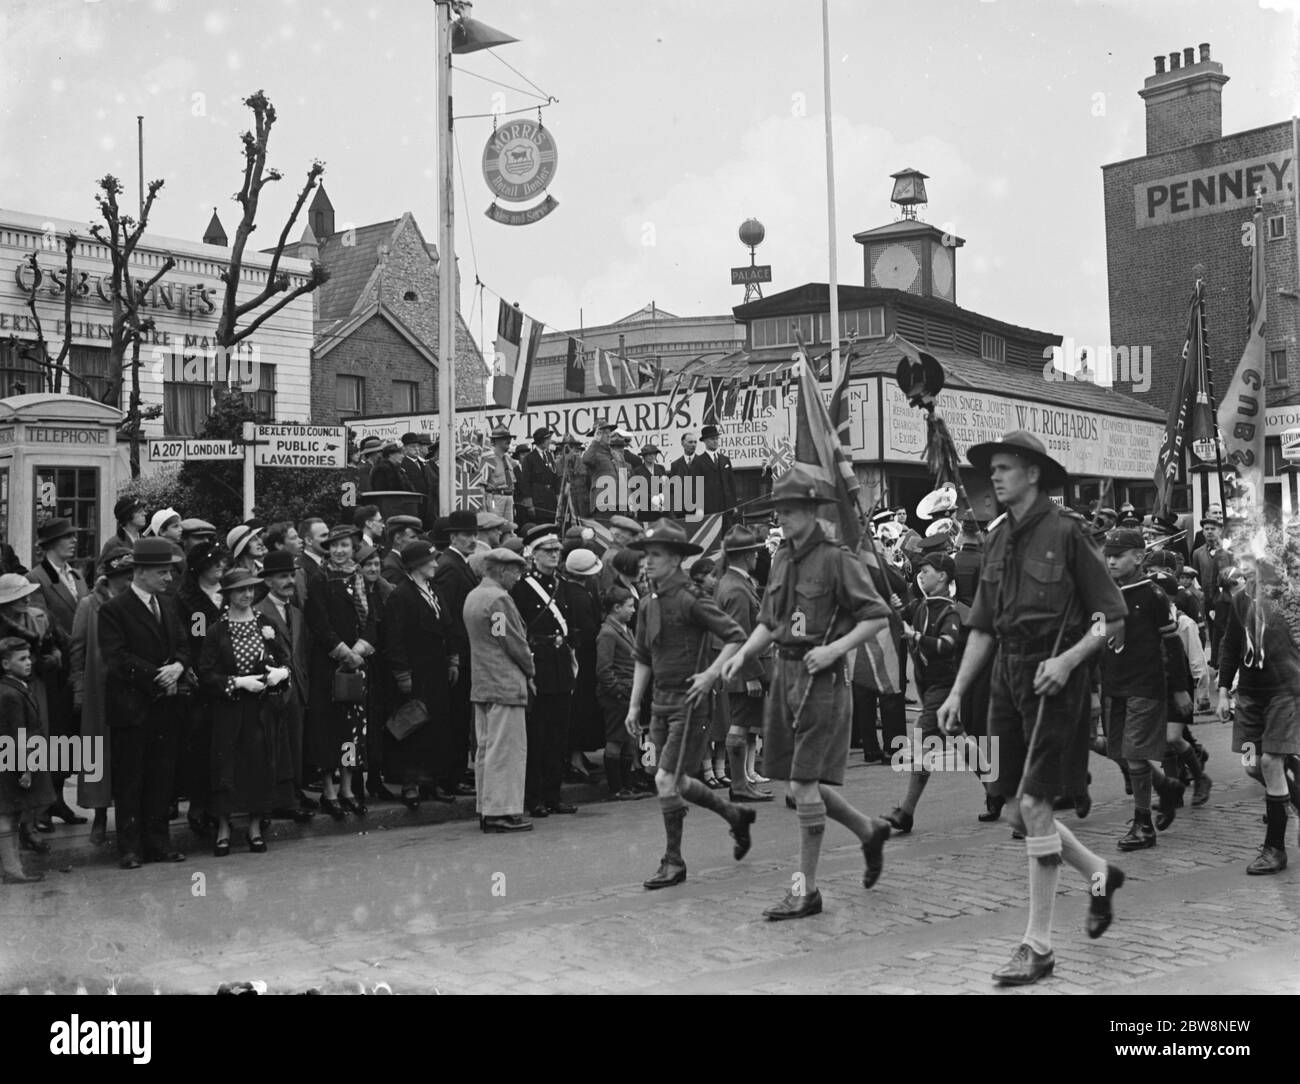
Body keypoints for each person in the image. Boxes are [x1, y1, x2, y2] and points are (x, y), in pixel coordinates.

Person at [935, 431, 1129, 985]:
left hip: (1054, 678)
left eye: (1003, 468)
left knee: (1036, 806)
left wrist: (1069, 662)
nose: (994, 478)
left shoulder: (1068, 534)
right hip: (1005, 680)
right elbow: (982, 627)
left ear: (1033, 474)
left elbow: (1111, 618)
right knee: (1014, 809)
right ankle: (1098, 872)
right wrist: (954, 692)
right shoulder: (996, 541)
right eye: (991, 469)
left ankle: (1037, 946)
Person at [720, 470, 894, 919]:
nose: (782, 518)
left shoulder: (836, 559)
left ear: (813, 512)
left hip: (823, 679)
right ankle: (868, 831)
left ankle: (806, 890)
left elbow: (877, 615)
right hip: (785, 674)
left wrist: (834, 648)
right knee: (801, 782)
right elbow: (770, 621)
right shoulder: (780, 558)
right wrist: (742, 655)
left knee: (802, 785)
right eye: (779, 510)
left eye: (790, 510)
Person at [625, 518, 754, 891]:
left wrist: (712, 674)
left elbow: (735, 636)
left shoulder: (690, 598)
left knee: (665, 778)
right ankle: (735, 814)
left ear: (677, 559)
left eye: (657, 555)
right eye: (646, 555)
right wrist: (635, 706)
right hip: (661, 702)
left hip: (691, 702)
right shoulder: (649, 600)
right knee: (675, 778)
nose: (648, 562)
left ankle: (673, 861)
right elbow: (643, 656)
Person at [99, 538, 191, 870]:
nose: (169, 578)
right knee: (130, 780)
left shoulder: (167, 604)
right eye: (162, 572)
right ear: (140, 572)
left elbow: (182, 642)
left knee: (161, 778)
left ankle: (159, 843)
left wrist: (179, 666)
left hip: (164, 707)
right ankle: (130, 847)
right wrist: (159, 677)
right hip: (132, 708)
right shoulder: (113, 610)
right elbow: (117, 658)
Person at [1100, 529, 1191, 851]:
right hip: (1113, 685)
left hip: (1145, 684)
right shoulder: (1102, 594)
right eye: (1107, 554)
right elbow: (1097, 638)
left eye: (1118, 555)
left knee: (1135, 756)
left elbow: (1172, 642)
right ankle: (1166, 787)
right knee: (1122, 754)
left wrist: (1180, 688)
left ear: (1138, 557)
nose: (1110, 560)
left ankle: (1143, 825)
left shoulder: (1153, 595)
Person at [1216, 554, 1300, 874]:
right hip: (1250, 695)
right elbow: (1230, 645)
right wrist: (1224, 691)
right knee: (1253, 766)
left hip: (1285, 692)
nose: (1249, 572)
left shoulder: (1292, 600)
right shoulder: (1240, 601)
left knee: (1270, 761)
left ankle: (1274, 849)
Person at [200, 569, 292, 857]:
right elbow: (204, 672)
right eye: (240, 590)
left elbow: (283, 657)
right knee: (226, 765)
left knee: (259, 765)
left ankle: (254, 827)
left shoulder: (264, 623)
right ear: (228, 595)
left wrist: (282, 673)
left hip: (261, 708)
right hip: (230, 708)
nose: (247, 595)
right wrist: (236, 682)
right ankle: (224, 828)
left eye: (251, 590)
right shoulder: (217, 630)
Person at [303, 524, 377, 819]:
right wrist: (343, 651)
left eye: (344, 545)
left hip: (355, 665)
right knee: (327, 728)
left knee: (351, 728)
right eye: (334, 545)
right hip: (329, 664)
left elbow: (372, 620)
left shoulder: (359, 578)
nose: (339, 550)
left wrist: (359, 650)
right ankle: (328, 790)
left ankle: (347, 787)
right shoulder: (320, 578)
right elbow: (318, 621)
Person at [381, 540, 458, 810]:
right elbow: (395, 639)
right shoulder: (401, 595)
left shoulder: (434, 591)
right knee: (413, 725)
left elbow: (447, 627)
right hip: (415, 670)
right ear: (415, 565)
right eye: (430, 561)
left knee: (437, 725)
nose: (436, 564)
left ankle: (431, 780)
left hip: (436, 668)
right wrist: (402, 674)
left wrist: (453, 660)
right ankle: (410, 783)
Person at [464, 548, 535, 832]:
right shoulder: (499, 599)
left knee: (486, 749)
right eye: (515, 570)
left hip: (483, 682)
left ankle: (488, 807)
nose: (518, 576)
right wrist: (530, 669)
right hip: (505, 682)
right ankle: (501, 812)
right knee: (505, 750)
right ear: (501, 571)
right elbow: (511, 641)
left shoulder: (474, 596)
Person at [26, 517, 88, 831]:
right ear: (50, 544)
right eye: (67, 538)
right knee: (52, 736)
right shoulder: (36, 577)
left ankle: (59, 799)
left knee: (71, 737)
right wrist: (73, 641)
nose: (73, 542)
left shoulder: (77, 576)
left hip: (78, 668)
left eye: (73, 536)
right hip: (54, 670)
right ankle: (41, 806)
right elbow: (42, 621)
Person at [512, 526, 578, 818]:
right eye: (548, 551)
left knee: (558, 736)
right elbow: (516, 628)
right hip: (537, 664)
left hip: (560, 664)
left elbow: (570, 624)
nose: (554, 555)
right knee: (537, 737)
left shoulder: (561, 585)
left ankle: (554, 794)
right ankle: (534, 797)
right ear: (534, 554)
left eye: (557, 551)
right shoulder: (522, 587)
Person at [0, 572, 67, 855]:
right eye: (18, 596)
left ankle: (30, 824)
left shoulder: (39, 617)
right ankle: (12, 833)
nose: (25, 600)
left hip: (36, 687)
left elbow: (62, 644)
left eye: (26, 594)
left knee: (35, 749)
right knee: (11, 759)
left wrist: (51, 659)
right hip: (6, 693)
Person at [70, 550, 134, 845]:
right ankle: (99, 815)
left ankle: (126, 815)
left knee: (126, 753)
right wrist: (80, 689)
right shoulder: (89, 605)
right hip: (98, 690)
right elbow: (77, 649)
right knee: (98, 752)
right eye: (125, 576)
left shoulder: (133, 604)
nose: (129, 581)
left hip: (128, 687)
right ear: (111, 577)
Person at [255, 550, 315, 824]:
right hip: (274, 692)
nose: (289, 581)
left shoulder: (297, 613)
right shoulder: (259, 613)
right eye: (282, 577)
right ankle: (279, 800)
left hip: (298, 690)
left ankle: (293, 793)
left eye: (291, 575)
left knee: (296, 743)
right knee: (277, 746)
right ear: (268, 581)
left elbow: (301, 653)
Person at [713, 525, 772, 803]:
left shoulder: (736, 582)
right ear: (746, 555)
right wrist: (752, 676)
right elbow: (740, 635)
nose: (757, 557)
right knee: (739, 725)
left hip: (743, 667)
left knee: (743, 725)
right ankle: (738, 785)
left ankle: (740, 784)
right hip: (745, 670)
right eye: (754, 552)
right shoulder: (736, 588)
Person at [174, 541, 228, 838]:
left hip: (229, 676)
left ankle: (222, 805)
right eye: (214, 563)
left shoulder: (228, 594)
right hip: (201, 680)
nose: (220, 567)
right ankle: (199, 804)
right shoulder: (188, 600)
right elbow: (191, 640)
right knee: (200, 745)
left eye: (222, 562)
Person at [432, 510, 481, 803]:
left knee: (462, 715)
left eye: (474, 535)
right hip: (459, 653)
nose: (472, 540)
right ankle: (452, 775)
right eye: (467, 535)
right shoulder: (450, 567)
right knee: (457, 716)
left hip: (464, 651)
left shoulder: (456, 563)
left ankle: (457, 772)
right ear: (453, 537)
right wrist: (454, 653)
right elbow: (449, 615)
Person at [0, 638, 54, 883]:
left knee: (10, 814)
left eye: (29, 657)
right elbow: (16, 734)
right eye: (21, 659)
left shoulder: (17, 687)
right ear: (5, 664)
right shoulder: (10, 694)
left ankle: (13, 868)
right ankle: (12, 870)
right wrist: (25, 768)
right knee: (8, 815)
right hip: (13, 763)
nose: (29, 662)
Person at [558, 547, 604, 788]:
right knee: (580, 709)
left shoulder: (569, 591)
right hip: (584, 660)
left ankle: (576, 755)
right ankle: (575, 757)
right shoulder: (580, 596)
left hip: (577, 658)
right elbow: (588, 632)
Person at [596, 585, 642, 800]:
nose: (633, 610)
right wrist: (618, 691)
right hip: (618, 695)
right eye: (630, 606)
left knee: (628, 740)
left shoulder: (624, 629)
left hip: (629, 692)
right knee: (616, 739)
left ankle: (627, 785)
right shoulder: (608, 633)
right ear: (616, 608)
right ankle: (616, 788)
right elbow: (604, 669)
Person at [1191, 514, 1233, 668]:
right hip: (1209, 598)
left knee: (1226, 629)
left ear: (1220, 530)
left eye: (1213, 529)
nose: (1209, 532)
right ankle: (1215, 661)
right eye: (1206, 529)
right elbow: (1195, 575)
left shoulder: (1228, 551)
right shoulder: (1197, 553)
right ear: (1202, 532)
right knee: (1213, 630)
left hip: (1227, 598)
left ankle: (1225, 662)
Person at [693, 425, 736, 523]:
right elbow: (696, 487)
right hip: (709, 508)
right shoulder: (698, 461)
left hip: (726, 507)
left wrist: (734, 505)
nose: (715, 441)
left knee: (727, 533)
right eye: (712, 439)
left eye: (717, 439)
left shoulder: (725, 459)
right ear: (705, 441)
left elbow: (731, 483)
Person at [519, 427, 560, 522]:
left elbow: (555, 478)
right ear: (542, 440)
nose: (550, 441)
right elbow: (525, 482)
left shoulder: (549, 456)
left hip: (551, 501)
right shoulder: (529, 458)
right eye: (548, 439)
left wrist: (558, 499)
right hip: (538, 502)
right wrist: (530, 505)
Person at [482, 426, 519, 522]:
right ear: (495, 441)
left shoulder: (508, 459)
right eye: (504, 438)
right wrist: (484, 508)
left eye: (509, 438)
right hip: (495, 498)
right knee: (495, 527)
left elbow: (512, 481)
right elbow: (481, 485)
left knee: (509, 529)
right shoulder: (488, 459)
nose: (509, 440)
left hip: (509, 497)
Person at [100, 496, 147, 565]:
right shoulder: (113, 543)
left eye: (143, 511)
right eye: (139, 512)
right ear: (127, 516)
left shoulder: (147, 542)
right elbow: (100, 572)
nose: (144, 514)